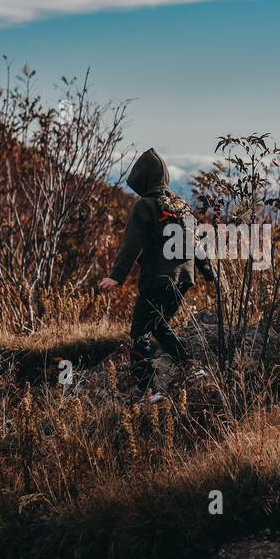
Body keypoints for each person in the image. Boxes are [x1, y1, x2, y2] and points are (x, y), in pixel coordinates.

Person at [99, 148, 215, 398]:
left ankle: (147, 390)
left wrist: (116, 276)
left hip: (158, 280)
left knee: (139, 333)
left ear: (144, 179)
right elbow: (196, 243)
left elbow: (131, 244)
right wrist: (208, 272)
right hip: (184, 280)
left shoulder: (146, 206)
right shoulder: (181, 206)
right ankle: (190, 367)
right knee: (158, 325)